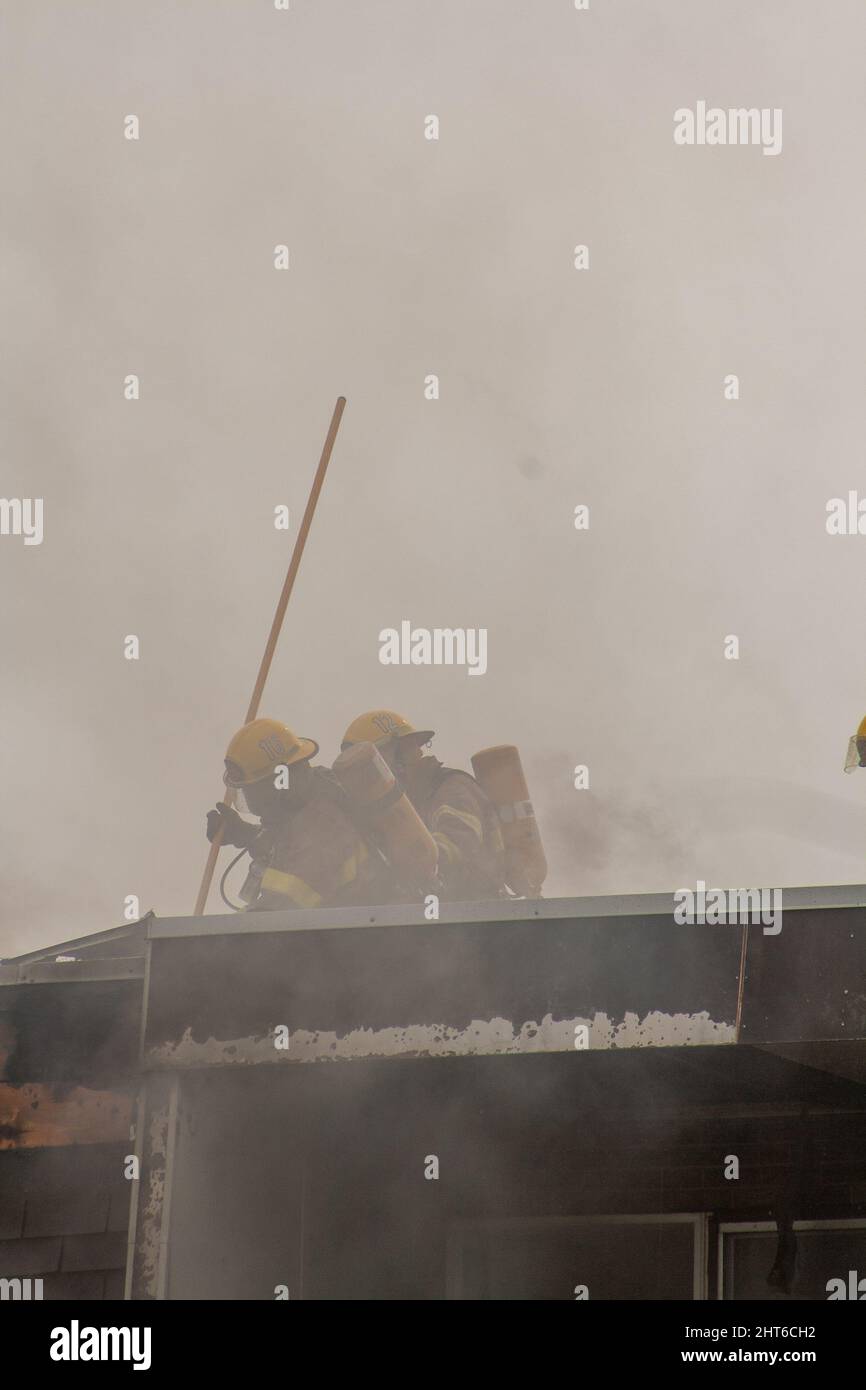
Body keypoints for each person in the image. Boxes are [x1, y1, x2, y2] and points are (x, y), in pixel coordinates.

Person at [206, 717, 393, 910]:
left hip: (358, 938)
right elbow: (289, 844)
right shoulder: (309, 805)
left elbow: (273, 917)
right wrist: (249, 836)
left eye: (256, 793)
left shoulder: (322, 828)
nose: (257, 808)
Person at [340, 710, 507, 902]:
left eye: (370, 766)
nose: (368, 779)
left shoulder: (452, 789)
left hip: (481, 918)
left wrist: (422, 863)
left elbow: (457, 840)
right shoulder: (404, 802)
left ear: (399, 754)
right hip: (438, 914)